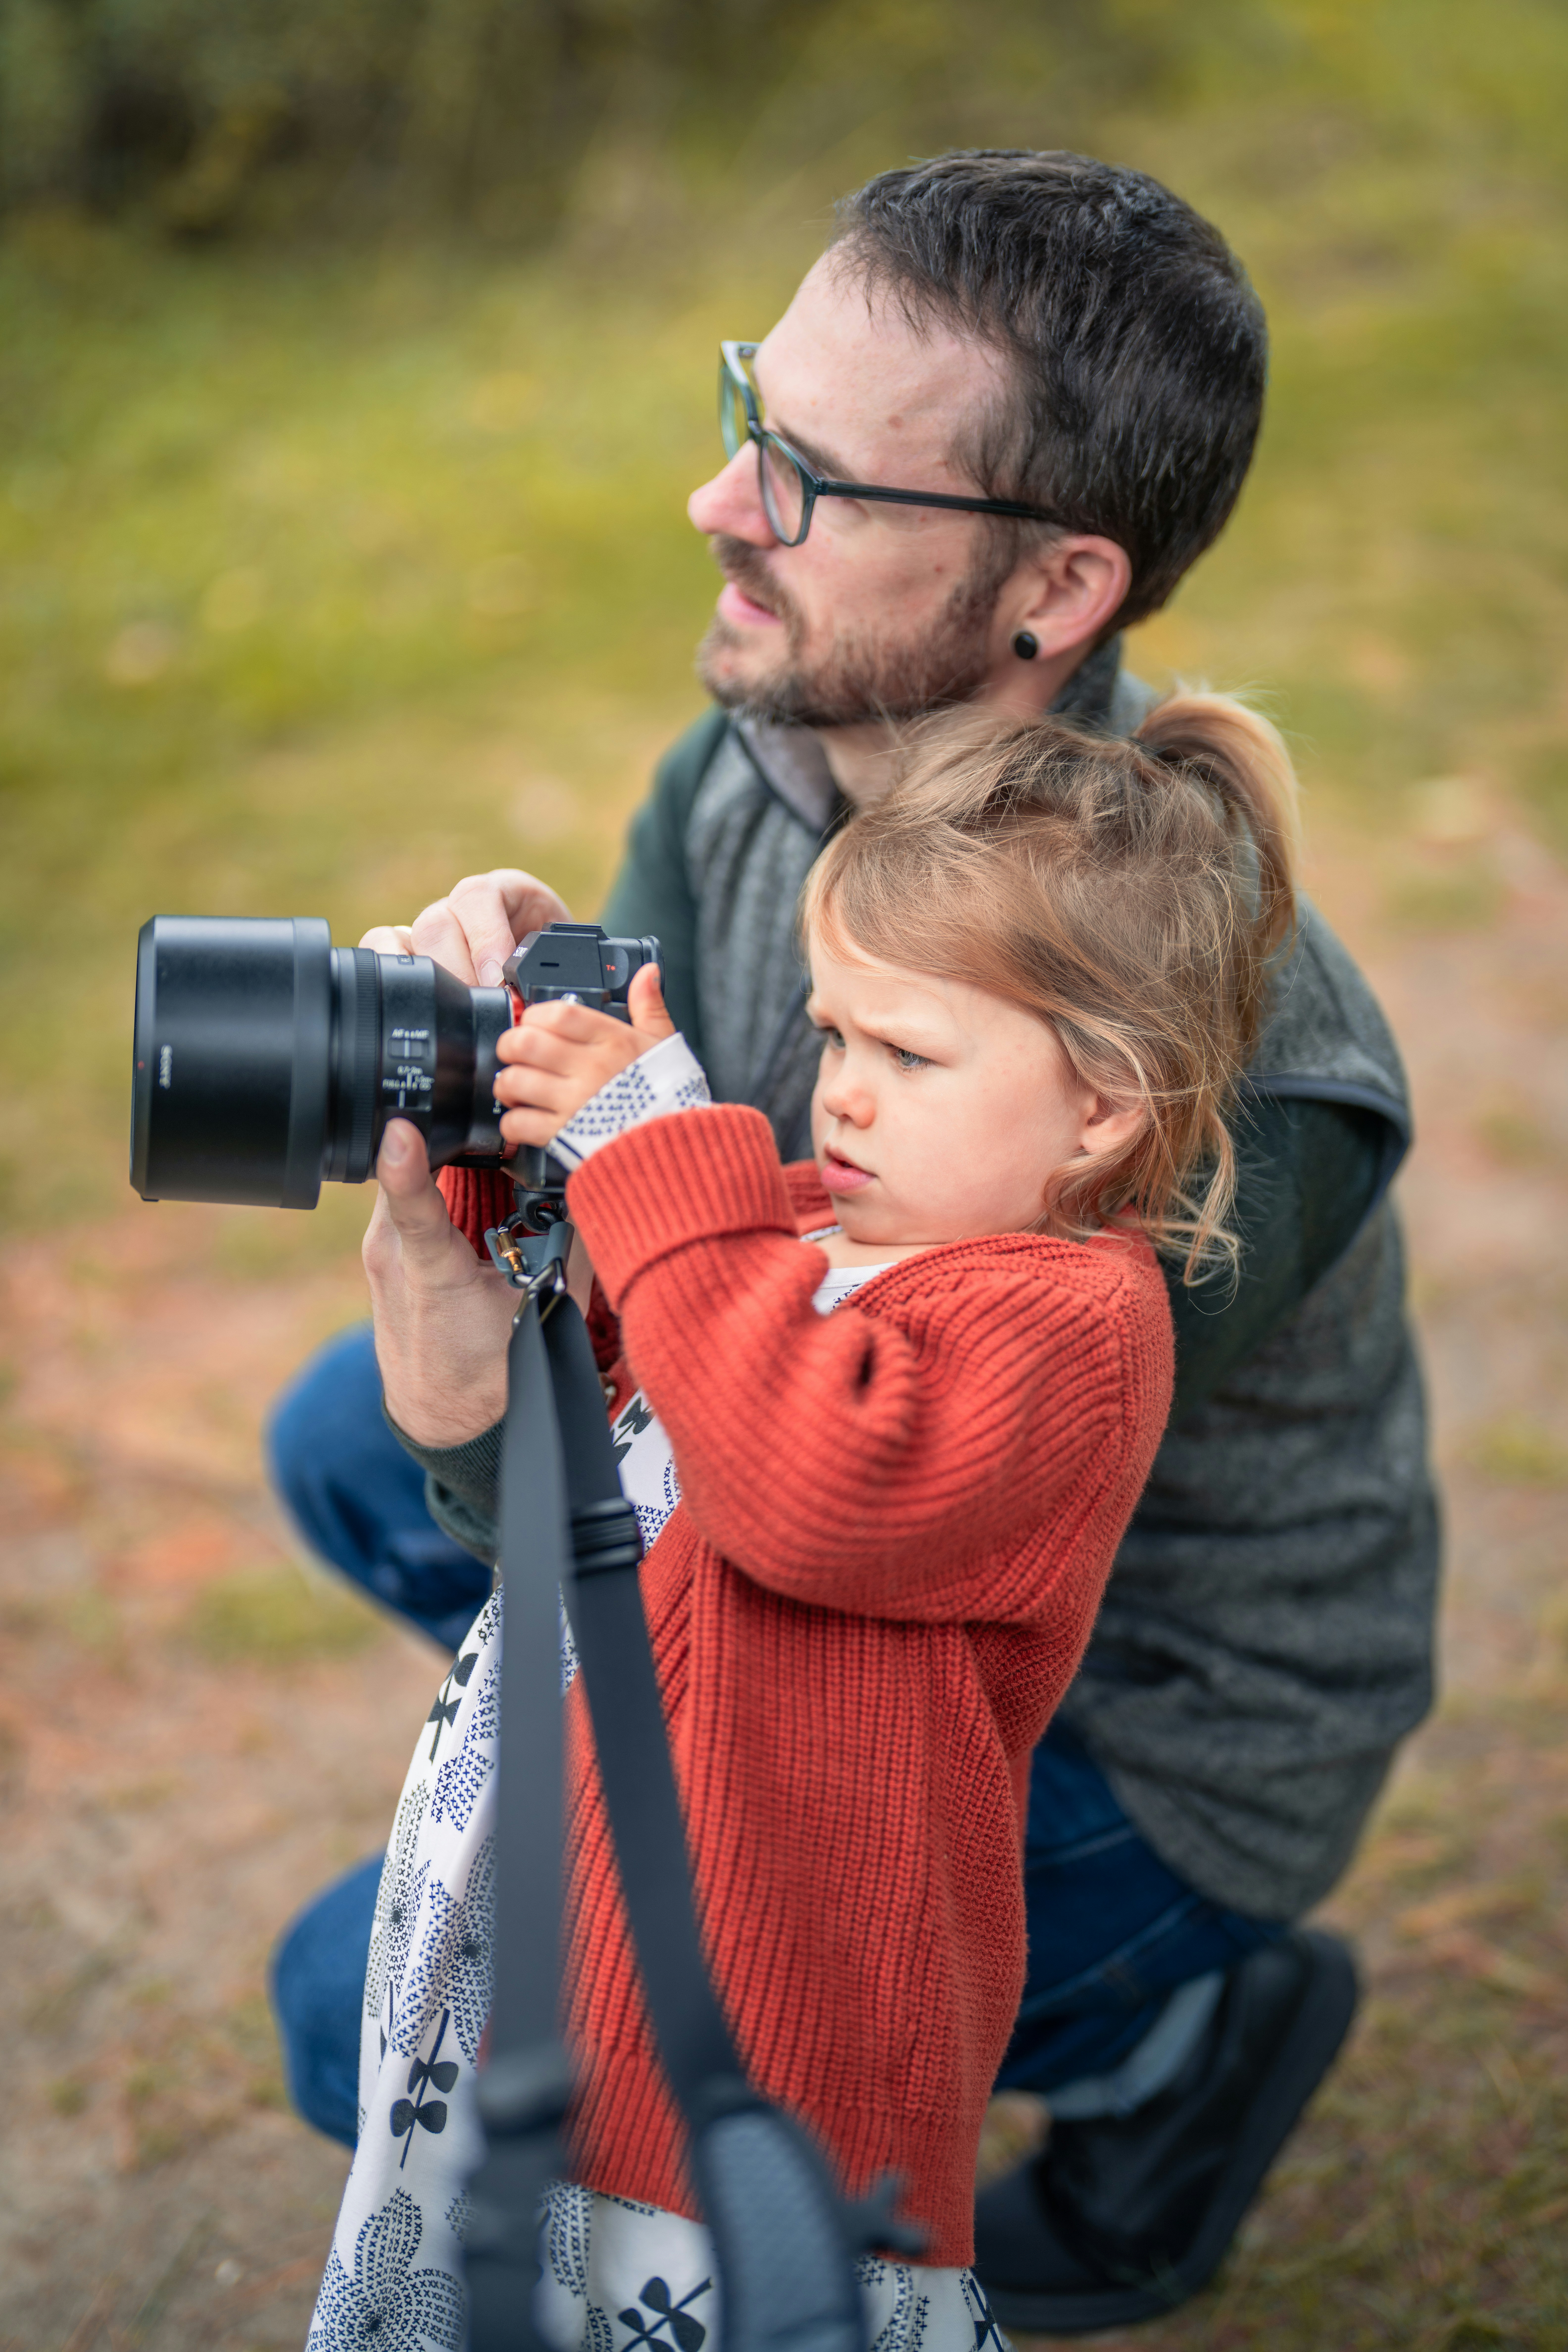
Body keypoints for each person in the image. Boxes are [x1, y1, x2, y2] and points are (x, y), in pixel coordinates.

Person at [273, 150, 1437, 2331]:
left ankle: (1178, 2025)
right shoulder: (753, 768)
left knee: (367, 1992)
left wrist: (605, 1277)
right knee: (353, 1437)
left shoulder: (1228, 1078)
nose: (723, 505)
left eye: (810, 477)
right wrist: (502, 1141)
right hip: (811, 1475)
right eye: (749, 414)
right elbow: (687, 1316)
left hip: (1137, 1710)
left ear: (1057, 587)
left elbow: (837, 1495)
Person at [308, 693, 1300, 2351]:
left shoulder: (1069, 1327)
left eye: (907, 1055)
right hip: (589, 1927)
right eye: (835, 1036)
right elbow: (602, 1338)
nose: (838, 1097)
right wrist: (501, 1124)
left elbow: (806, 1481)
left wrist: (653, 1156)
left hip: (778, 2032)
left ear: (1105, 1109)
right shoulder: (801, 1227)